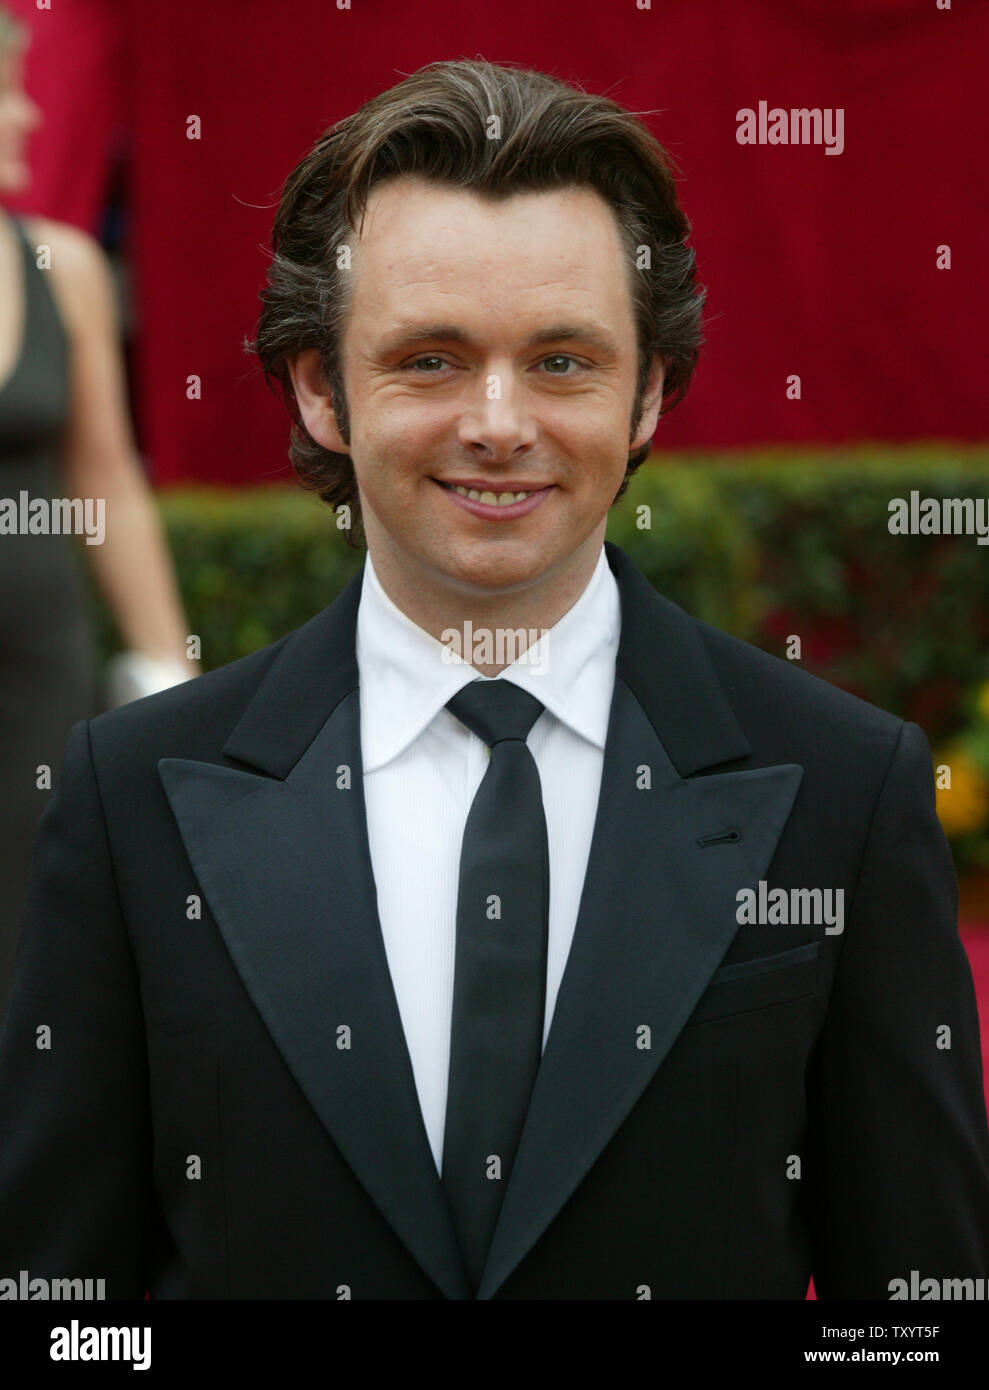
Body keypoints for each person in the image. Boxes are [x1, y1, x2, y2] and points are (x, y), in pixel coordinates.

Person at [0, 57, 987, 1301]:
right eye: (429, 359)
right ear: (319, 389)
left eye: (564, 361)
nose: (499, 420)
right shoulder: (131, 798)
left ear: (650, 392)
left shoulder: (842, 792)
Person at [0, 6, 196, 1016]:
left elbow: (108, 477)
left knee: (38, 927)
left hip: (39, 667)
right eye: (6, 88)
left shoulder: (60, 268)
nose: (30, 114)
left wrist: (170, 669)